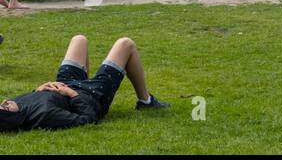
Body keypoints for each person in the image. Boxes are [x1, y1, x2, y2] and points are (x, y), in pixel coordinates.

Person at [0, 34, 168, 132]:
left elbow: (35, 101)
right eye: (5, 107)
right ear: (12, 118)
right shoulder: (46, 115)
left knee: (79, 39)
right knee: (126, 44)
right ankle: (145, 101)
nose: (6, 101)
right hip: (92, 95)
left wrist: (39, 90)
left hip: (66, 83)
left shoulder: (18, 105)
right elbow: (87, 119)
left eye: (2, 103)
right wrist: (71, 94)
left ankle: (82, 79)